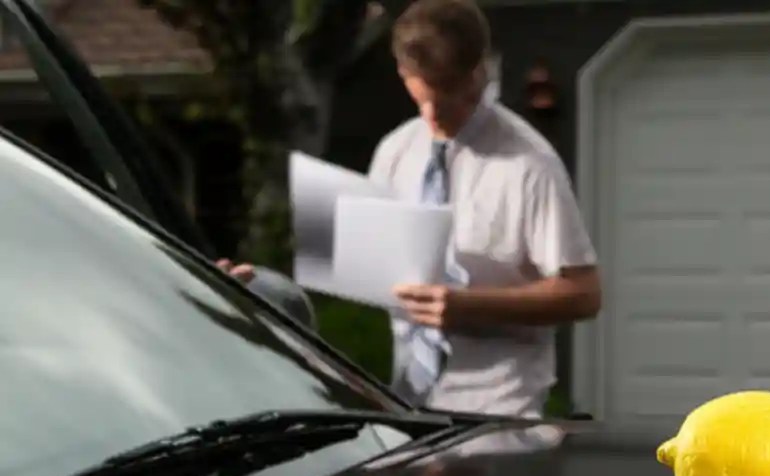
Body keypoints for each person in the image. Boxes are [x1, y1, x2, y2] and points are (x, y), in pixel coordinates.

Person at [223, 0, 601, 419]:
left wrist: (468, 306)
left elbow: (583, 294)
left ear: (480, 71)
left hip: (498, 415)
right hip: (408, 407)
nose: (434, 117)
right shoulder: (395, 151)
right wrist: (263, 288)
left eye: (450, 98)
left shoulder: (530, 164)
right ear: (403, 74)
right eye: (423, 99)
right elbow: (366, 271)